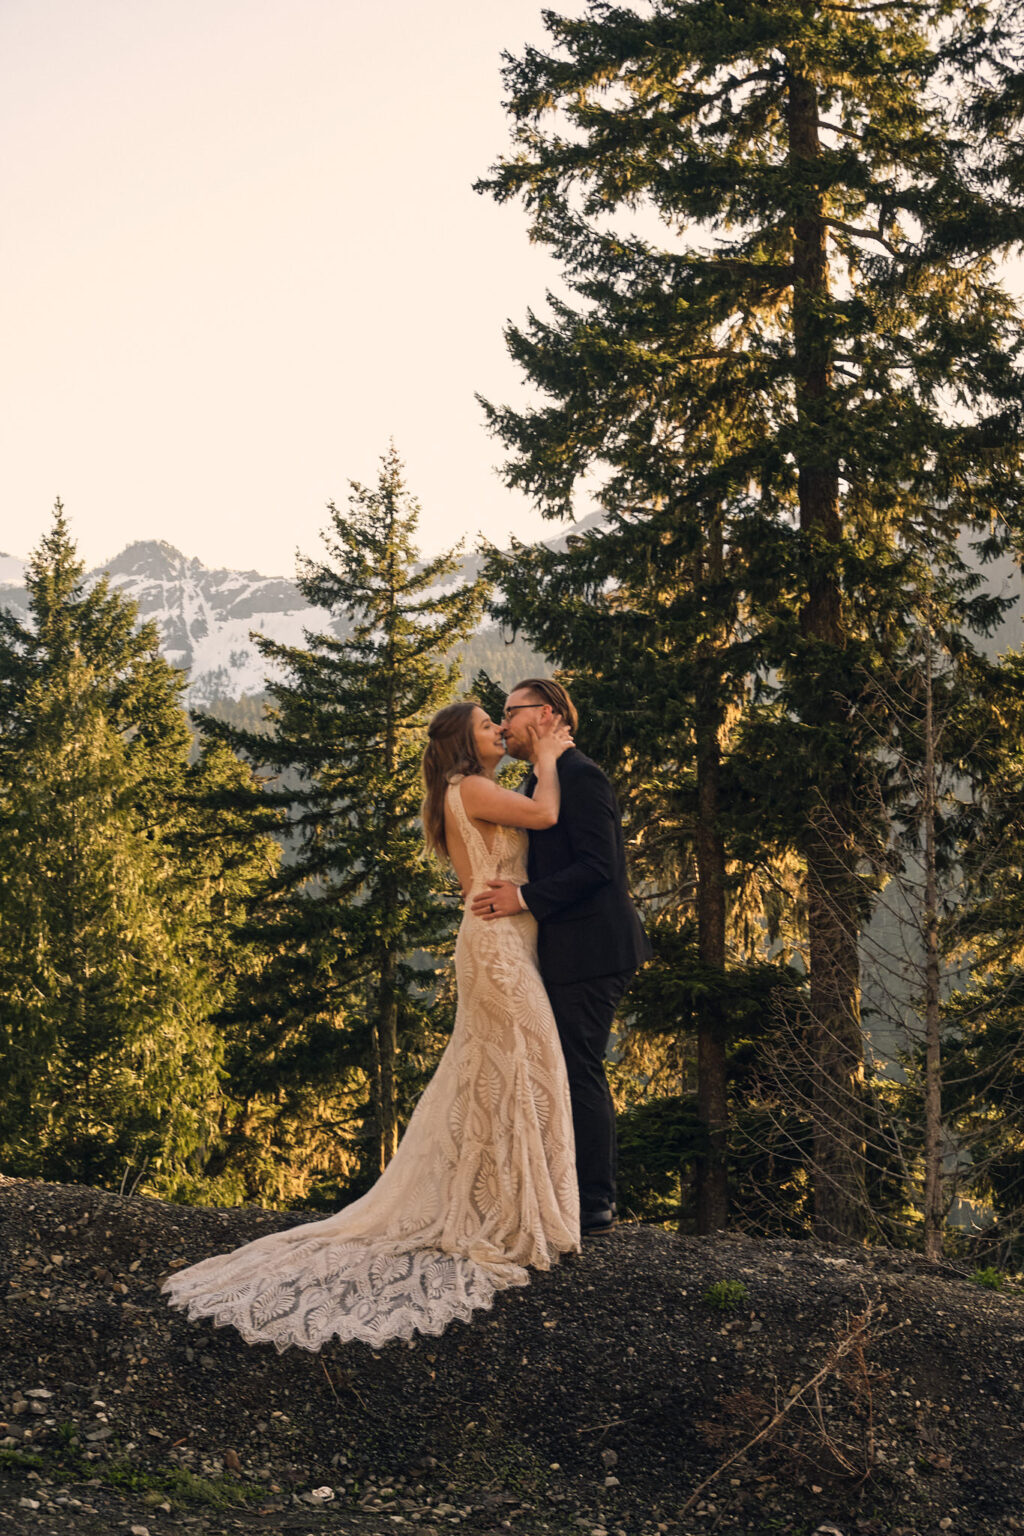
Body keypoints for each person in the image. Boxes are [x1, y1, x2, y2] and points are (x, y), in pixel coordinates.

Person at [162, 701, 579, 1351]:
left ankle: (504, 1202)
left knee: (498, 1069)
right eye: (486, 727)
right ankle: (509, 1211)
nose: (499, 730)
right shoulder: (469, 787)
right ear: (463, 746)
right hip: (496, 948)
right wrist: (550, 757)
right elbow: (547, 814)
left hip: (501, 940)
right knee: (520, 1062)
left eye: (501, 723)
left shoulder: (465, 788)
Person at [470, 679, 651, 1238]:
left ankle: (595, 1202)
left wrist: (521, 898)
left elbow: (601, 867)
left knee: (578, 1067)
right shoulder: (541, 776)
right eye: (497, 716)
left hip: (594, 948)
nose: (503, 724)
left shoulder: (581, 776)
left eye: (511, 712)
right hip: (559, 948)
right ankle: (561, 1189)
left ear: (545, 714)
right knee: (558, 1068)